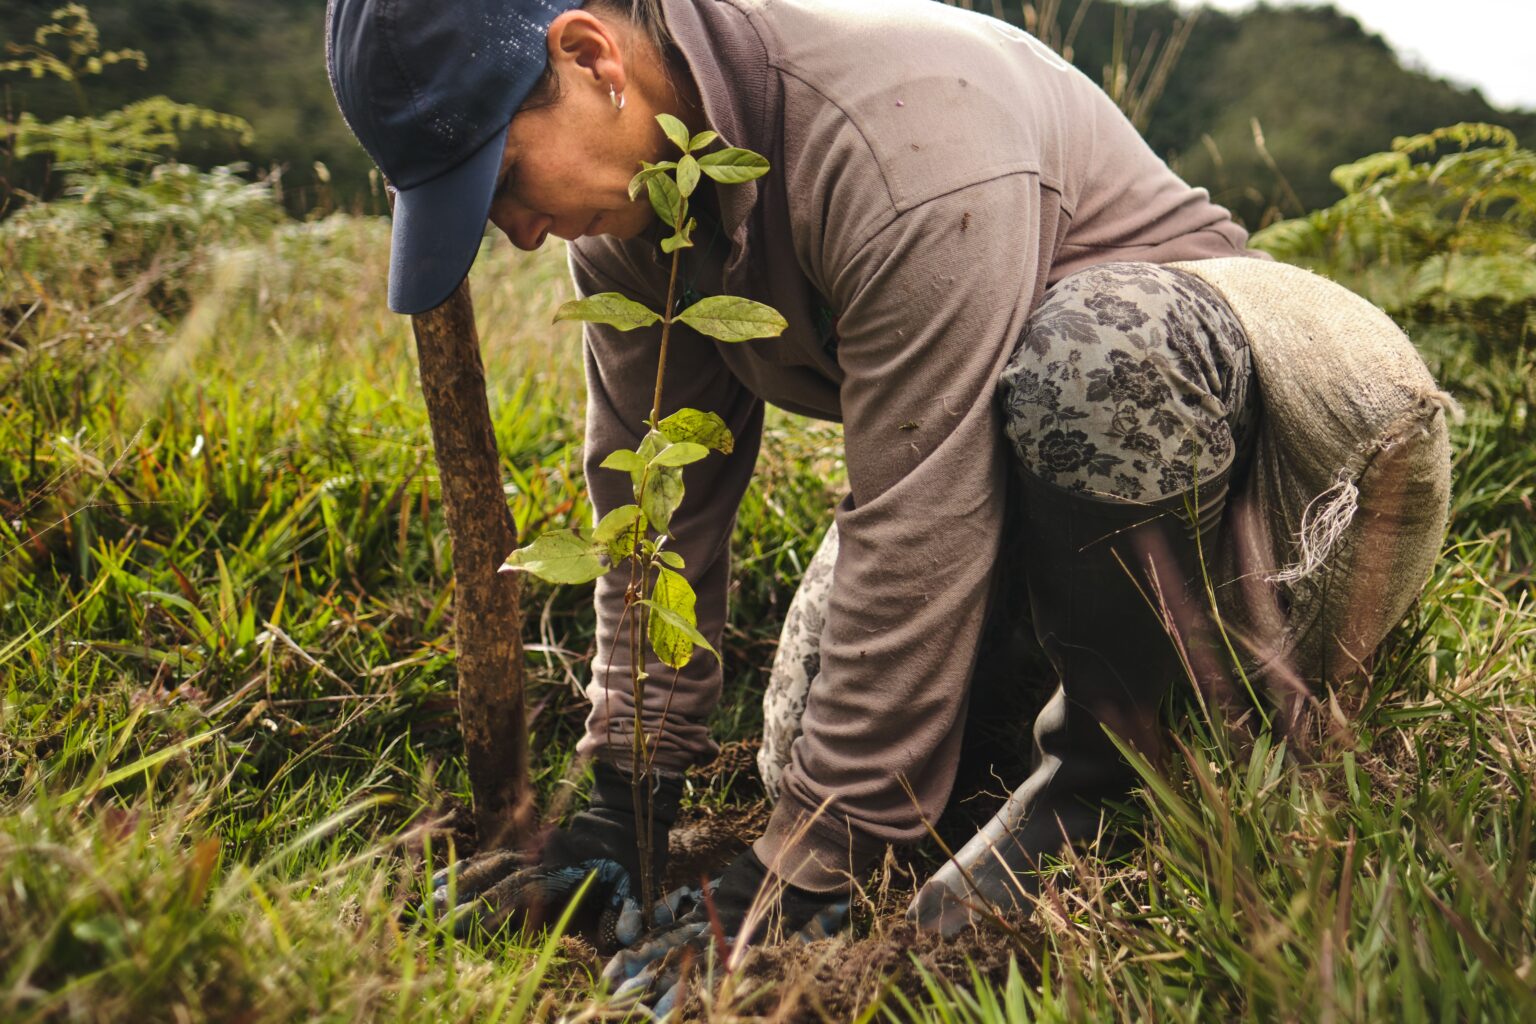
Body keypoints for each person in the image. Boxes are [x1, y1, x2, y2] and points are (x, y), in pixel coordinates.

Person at [326, 0, 1449, 1007]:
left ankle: (1114, 777)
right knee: (804, 746)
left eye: (505, 182)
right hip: (1038, 501)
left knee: (1087, 359)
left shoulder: (897, 137)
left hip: (1280, 478)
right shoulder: (637, 220)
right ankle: (1043, 732)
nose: (516, 231)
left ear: (591, 56)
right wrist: (631, 789)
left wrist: (815, 865)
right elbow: (650, 497)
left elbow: (921, 514)